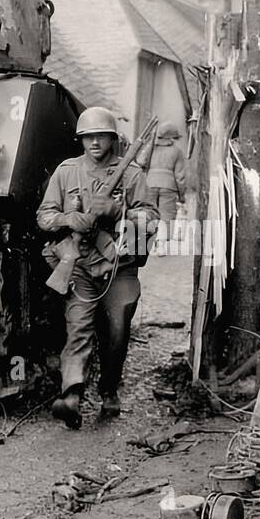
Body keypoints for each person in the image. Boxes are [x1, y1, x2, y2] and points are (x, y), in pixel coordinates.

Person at [37, 107, 159, 428]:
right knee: (77, 327)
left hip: (119, 265)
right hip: (80, 266)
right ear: (81, 139)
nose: (94, 143)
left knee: (117, 332)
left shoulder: (131, 174)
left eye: (101, 136)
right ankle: (72, 395)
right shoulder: (66, 173)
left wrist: (120, 210)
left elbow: (152, 220)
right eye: (88, 137)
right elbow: (44, 216)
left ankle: (108, 389)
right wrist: (67, 218)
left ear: (112, 140)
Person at [146, 124, 188, 252]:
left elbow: (141, 162)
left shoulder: (151, 148)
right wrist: (182, 195)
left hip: (150, 183)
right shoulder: (177, 151)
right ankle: (161, 245)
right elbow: (180, 176)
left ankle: (149, 242)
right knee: (166, 215)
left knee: (149, 213)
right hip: (169, 186)